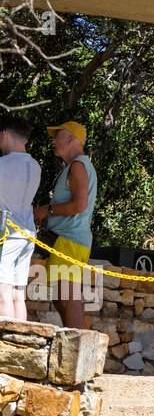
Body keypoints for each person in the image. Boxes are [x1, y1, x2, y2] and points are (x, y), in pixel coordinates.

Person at [33, 121, 97, 329]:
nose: (54, 141)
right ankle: (72, 342)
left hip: (69, 241)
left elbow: (79, 204)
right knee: (60, 298)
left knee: (67, 297)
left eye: (58, 136)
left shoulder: (78, 165)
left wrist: (47, 209)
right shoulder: (77, 165)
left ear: (71, 139)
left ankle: (77, 346)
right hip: (67, 241)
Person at [0, 116, 41, 321]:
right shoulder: (35, 166)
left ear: (5, 134)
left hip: (7, 235)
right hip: (28, 234)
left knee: (2, 292)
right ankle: (22, 345)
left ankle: (5, 347)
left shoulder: (3, 165)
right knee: (18, 295)